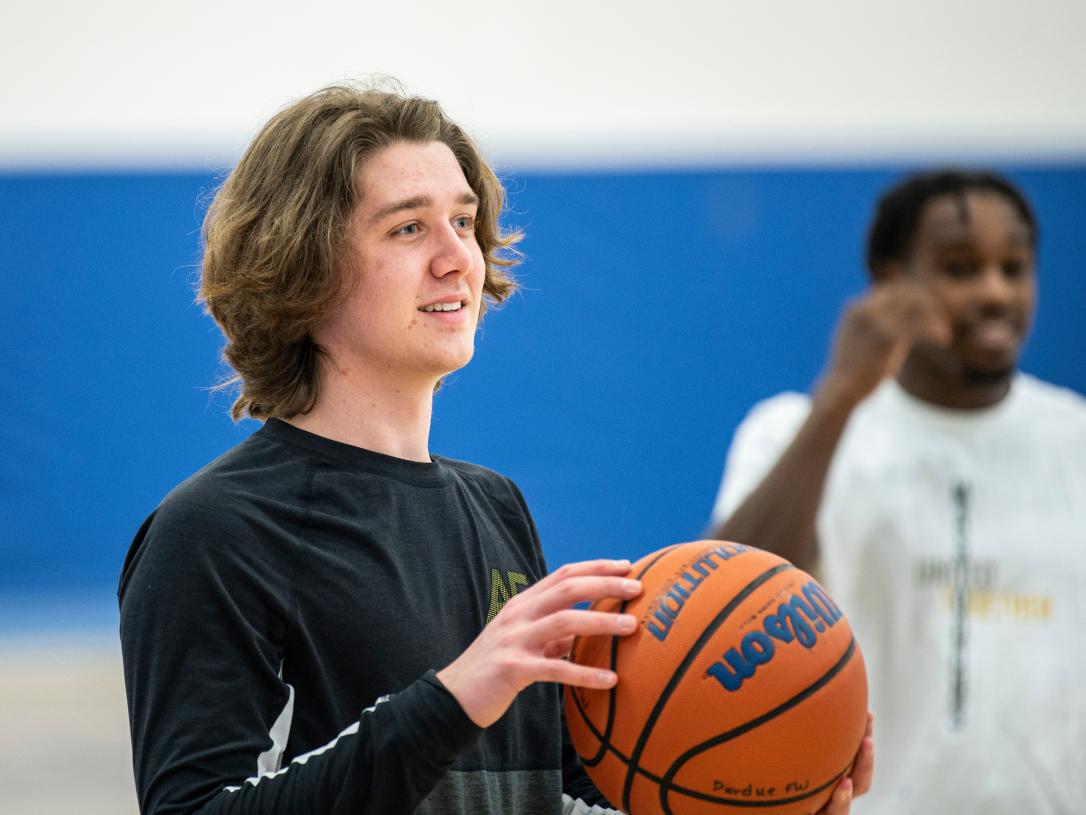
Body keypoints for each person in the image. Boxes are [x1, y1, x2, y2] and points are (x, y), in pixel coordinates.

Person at [119, 82, 872, 815]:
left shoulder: (495, 505)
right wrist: (449, 701)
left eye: (463, 221)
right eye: (408, 227)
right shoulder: (215, 530)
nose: (459, 258)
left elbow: (560, 793)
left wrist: (769, 789)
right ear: (304, 266)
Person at [709, 169, 1086, 814]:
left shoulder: (1074, 437)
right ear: (891, 278)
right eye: (960, 267)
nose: (995, 292)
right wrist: (840, 400)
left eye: (1014, 266)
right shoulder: (792, 430)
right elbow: (720, 611)